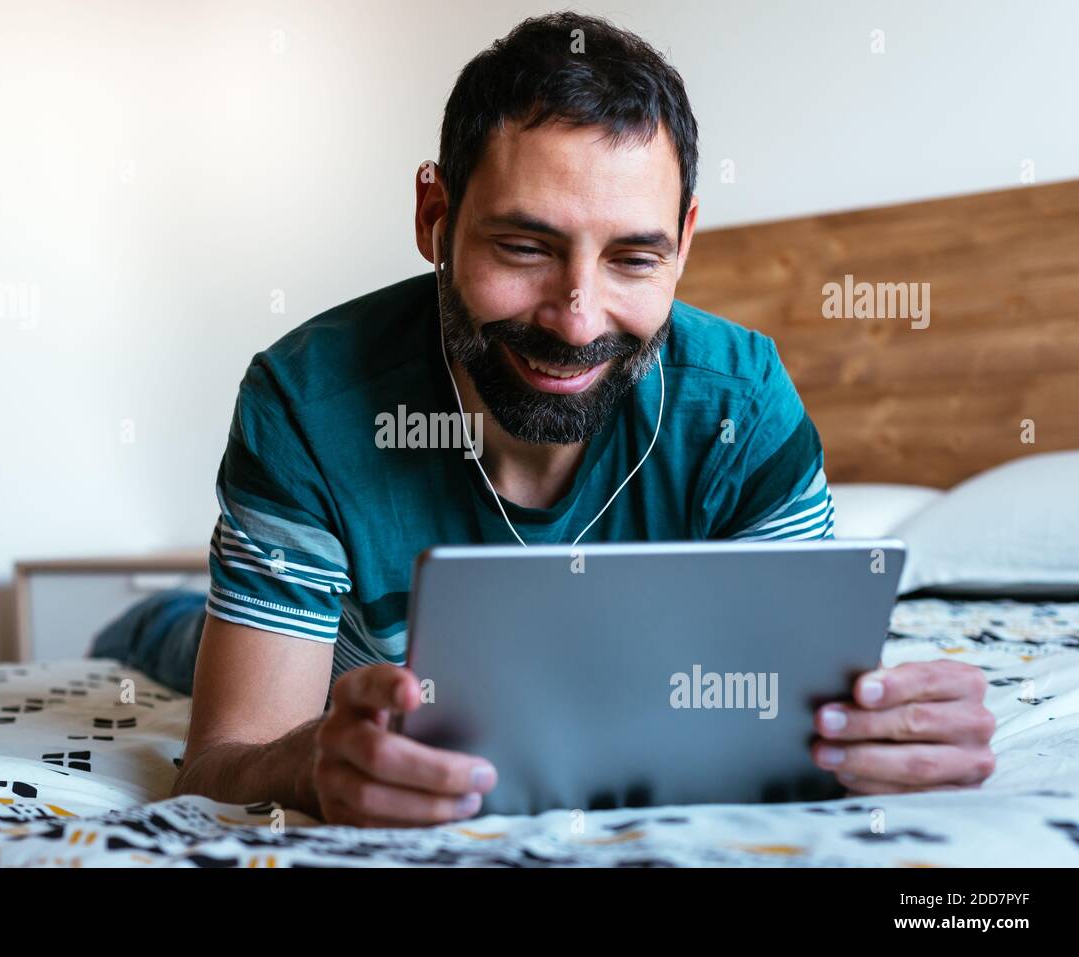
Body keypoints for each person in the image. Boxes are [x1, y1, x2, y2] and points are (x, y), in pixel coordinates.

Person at [94, 11, 994, 826]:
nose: (576, 317)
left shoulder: (743, 403)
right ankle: (156, 618)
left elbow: (794, 715)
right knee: (174, 637)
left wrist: (882, 737)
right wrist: (302, 761)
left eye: (636, 259)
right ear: (434, 216)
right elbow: (217, 763)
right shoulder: (306, 399)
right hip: (326, 649)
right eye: (525, 247)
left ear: (684, 244)